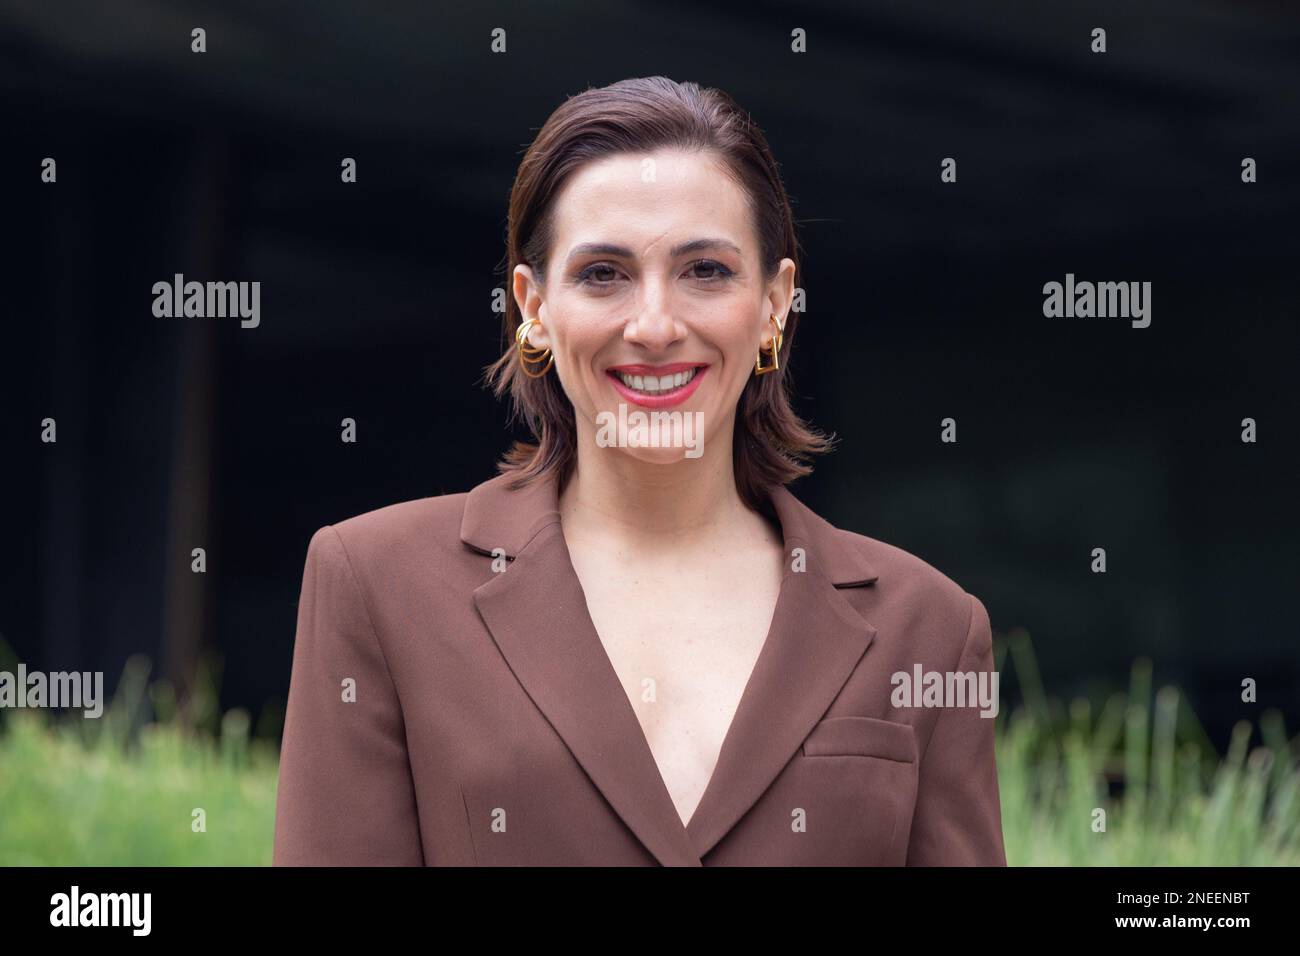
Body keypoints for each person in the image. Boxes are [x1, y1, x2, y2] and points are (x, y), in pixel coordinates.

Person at [273, 75, 1006, 866]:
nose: (655, 325)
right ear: (534, 307)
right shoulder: (378, 582)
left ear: (774, 303)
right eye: (603, 274)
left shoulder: (930, 627)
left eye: (706, 271)